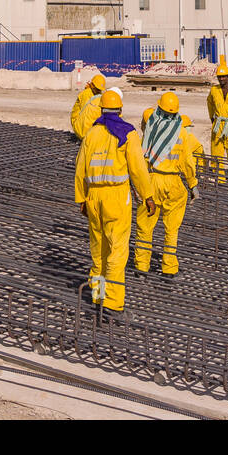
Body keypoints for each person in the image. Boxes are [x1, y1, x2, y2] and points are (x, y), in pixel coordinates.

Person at [74, 88, 155, 314]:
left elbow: (80, 169)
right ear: (120, 110)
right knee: (117, 252)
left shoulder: (91, 134)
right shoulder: (127, 134)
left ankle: (98, 297)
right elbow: (138, 170)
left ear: (101, 110)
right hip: (117, 198)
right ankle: (112, 302)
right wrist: (148, 196)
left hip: (94, 198)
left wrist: (81, 198)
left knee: (98, 252)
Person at [134, 92, 197, 279]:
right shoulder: (182, 132)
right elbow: (187, 162)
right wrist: (193, 185)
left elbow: (140, 161)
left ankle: (142, 267)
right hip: (174, 184)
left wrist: (138, 186)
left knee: (145, 227)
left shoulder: (151, 130)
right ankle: (169, 269)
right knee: (171, 229)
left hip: (151, 181)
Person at [71, 73, 106, 140]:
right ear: (92, 85)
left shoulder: (97, 94)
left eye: (100, 89)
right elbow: (85, 115)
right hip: (79, 126)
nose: (98, 91)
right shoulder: (86, 94)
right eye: (97, 89)